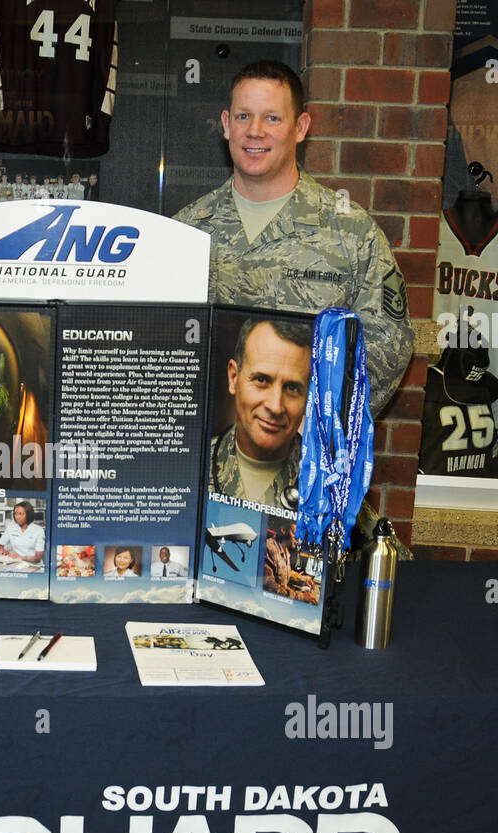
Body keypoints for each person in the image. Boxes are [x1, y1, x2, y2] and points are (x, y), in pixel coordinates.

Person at [173, 60, 413, 419]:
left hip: (306, 464)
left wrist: (315, 428)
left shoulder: (351, 234)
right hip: (203, 458)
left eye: (272, 118)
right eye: (243, 117)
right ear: (226, 125)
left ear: (300, 127)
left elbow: (387, 347)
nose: (255, 131)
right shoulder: (186, 232)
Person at [210, 316, 311, 508]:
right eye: (262, 380)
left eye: (292, 388)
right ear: (233, 378)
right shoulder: (191, 470)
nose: (275, 406)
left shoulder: (328, 486)